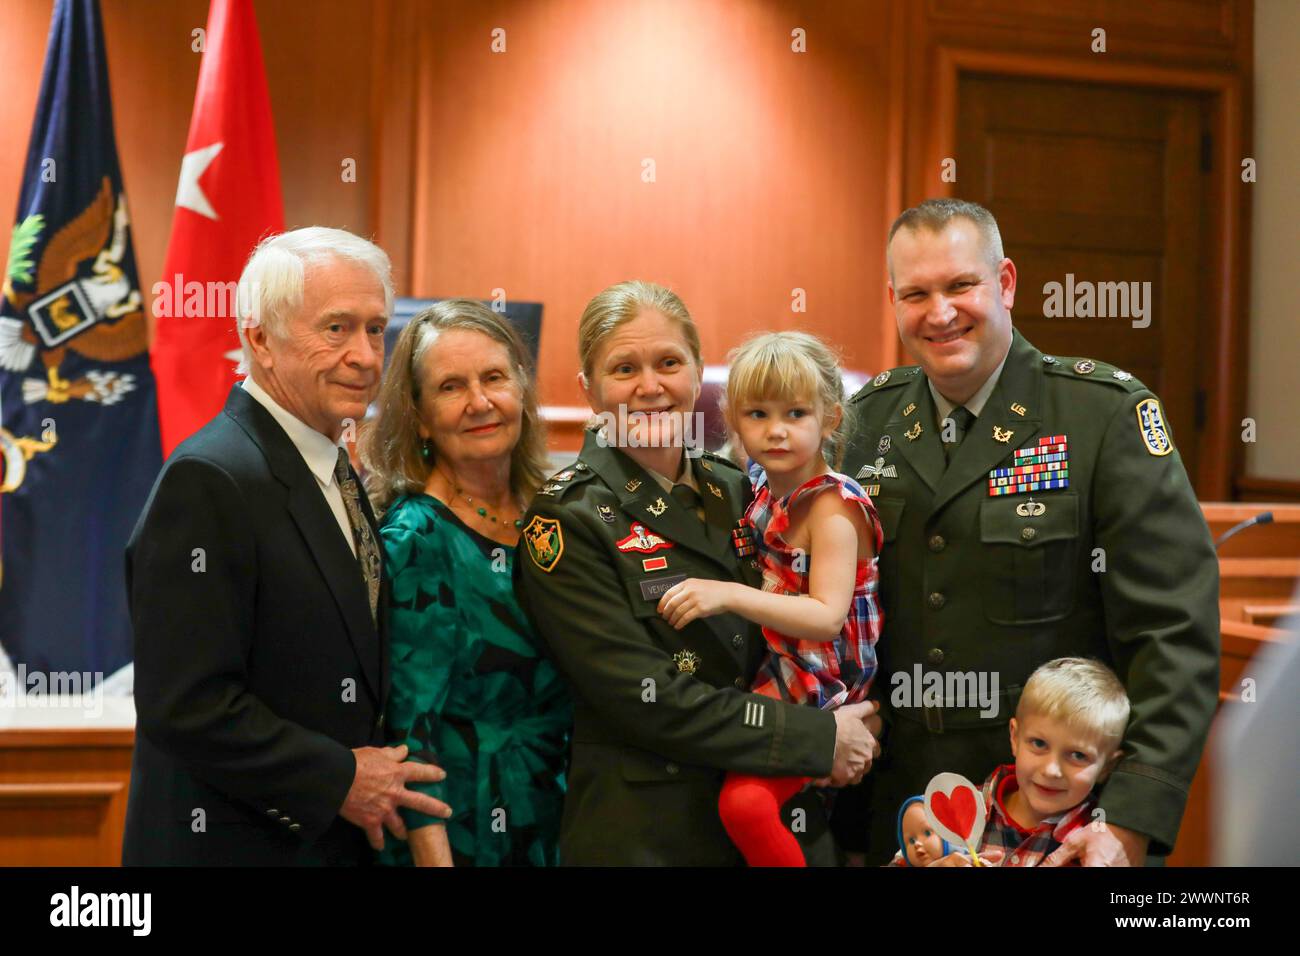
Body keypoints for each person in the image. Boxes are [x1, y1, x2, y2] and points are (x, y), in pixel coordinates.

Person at [839, 198, 1220, 866]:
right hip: (895, 816)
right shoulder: (863, 424)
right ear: (892, 300)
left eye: (961, 286)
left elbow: (1173, 640)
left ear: (1006, 283)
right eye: (916, 293)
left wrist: (1129, 820)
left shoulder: (1103, 418)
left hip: (1055, 820)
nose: (940, 312)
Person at [513, 280, 881, 865]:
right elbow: (642, 696)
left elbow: (825, 617)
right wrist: (817, 739)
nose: (651, 387)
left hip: (782, 814)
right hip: (656, 831)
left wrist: (853, 713)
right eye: (624, 368)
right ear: (589, 389)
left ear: (696, 372)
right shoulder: (567, 519)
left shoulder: (740, 484)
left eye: (668, 362)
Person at [122, 228, 450, 865]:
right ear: (260, 340)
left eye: (377, 328)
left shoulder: (327, 458)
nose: (365, 356)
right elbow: (185, 704)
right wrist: (337, 778)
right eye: (336, 329)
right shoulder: (211, 478)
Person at [657, 331, 883, 866]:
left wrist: (728, 595)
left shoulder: (832, 507)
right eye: (757, 414)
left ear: (829, 419)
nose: (776, 431)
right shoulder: (759, 486)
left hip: (822, 680)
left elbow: (827, 618)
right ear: (733, 421)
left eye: (796, 413)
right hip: (778, 667)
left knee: (746, 805)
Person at [362, 299, 571, 867]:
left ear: (522, 392)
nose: (480, 402)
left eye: (495, 378)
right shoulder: (415, 539)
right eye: (452, 387)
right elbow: (411, 742)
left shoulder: (551, 513)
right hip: (467, 832)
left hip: (557, 813)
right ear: (421, 416)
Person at [893, 657, 1130, 867]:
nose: (1051, 770)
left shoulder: (1099, 846)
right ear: (1015, 737)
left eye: (1078, 755)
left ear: (1107, 767)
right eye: (1039, 743)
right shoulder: (958, 809)